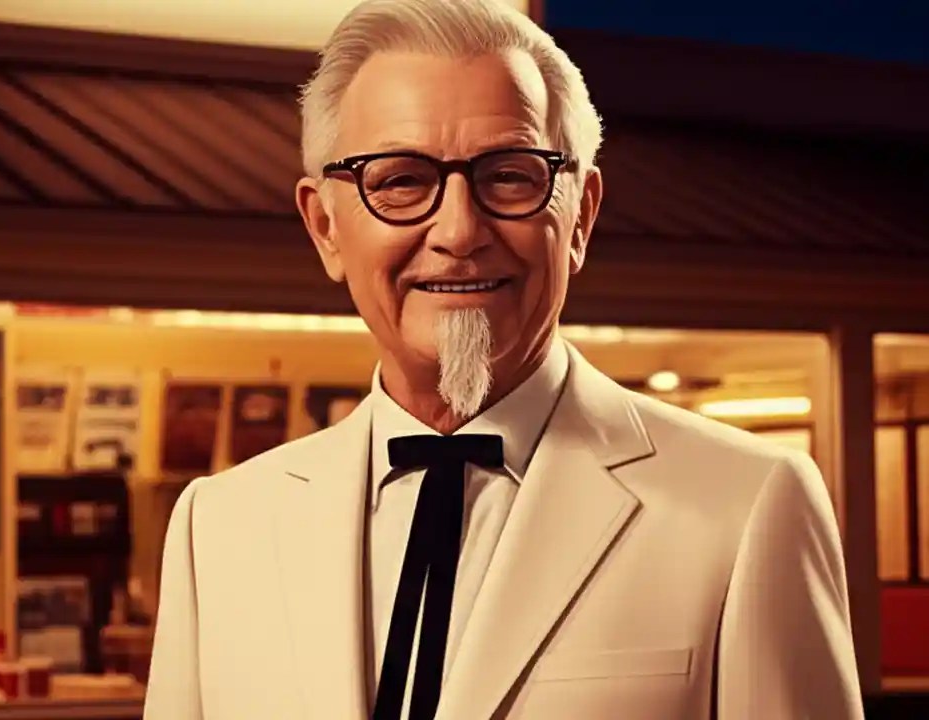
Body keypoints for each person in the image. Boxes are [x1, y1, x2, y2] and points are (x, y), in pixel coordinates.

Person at [145, 1, 864, 718]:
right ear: (325, 226)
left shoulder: (745, 505)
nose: (459, 231)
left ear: (580, 217)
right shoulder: (219, 527)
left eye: (510, 176)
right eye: (400, 180)